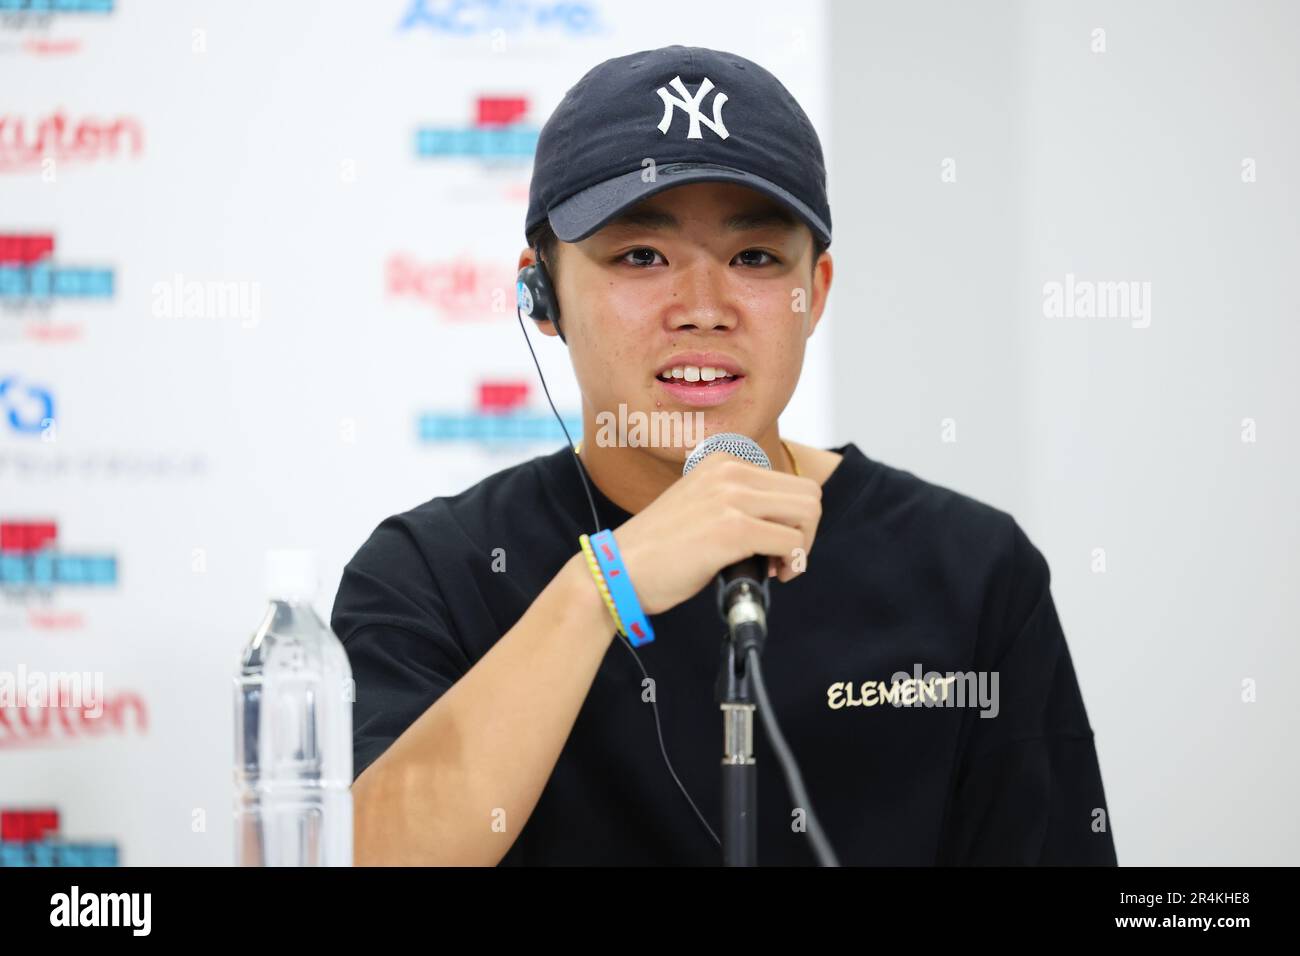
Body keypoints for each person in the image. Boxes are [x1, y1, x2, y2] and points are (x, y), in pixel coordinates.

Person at [331, 45, 1117, 866]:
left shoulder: (973, 570)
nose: (703, 309)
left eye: (754, 259)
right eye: (641, 256)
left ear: (816, 293)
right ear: (543, 295)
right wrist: (601, 588)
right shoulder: (429, 575)